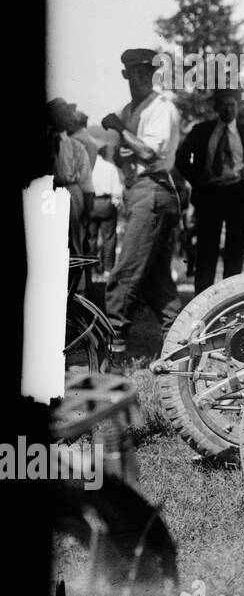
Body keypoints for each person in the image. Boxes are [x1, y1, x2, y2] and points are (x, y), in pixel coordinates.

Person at [100, 48, 183, 371]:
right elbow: (121, 154)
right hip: (141, 192)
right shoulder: (130, 109)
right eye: (136, 72)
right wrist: (123, 144)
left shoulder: (161, 108)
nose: (142, 77)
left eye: (147, 72)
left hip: (154, 190)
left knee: (125, 273)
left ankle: (113, 354)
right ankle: (180, 346)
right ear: (127, 75)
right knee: (154, 282)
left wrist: (120, 130)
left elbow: (147, 153)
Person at [175, 88, 244, 293]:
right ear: (216, 107)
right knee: (206, 249)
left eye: (232, 105)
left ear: (237, 107)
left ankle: (231, 297)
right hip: (210, 194)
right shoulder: (203, 130)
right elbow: (181, 158)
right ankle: (202, 297)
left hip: (238, 194)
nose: (228, 110)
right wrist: (197, 179)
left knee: (235, 249)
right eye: (224, 105)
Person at [48, 97, 93, 257]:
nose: (71, 118)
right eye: (65, 114)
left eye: (70, 114)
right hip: (46, 194)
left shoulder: (76, 147)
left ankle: (75, 280)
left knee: (73, 243)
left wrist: (88, 210)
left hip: (70, 194)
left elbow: (86, 181)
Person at [88, 128, 125, 277]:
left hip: (92, 203)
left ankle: (90, 267)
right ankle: (108, 268)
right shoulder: (110, 168)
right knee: (108, 238)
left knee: (91, 238)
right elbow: (116, 190)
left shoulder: (89, 167)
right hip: (106, 203)